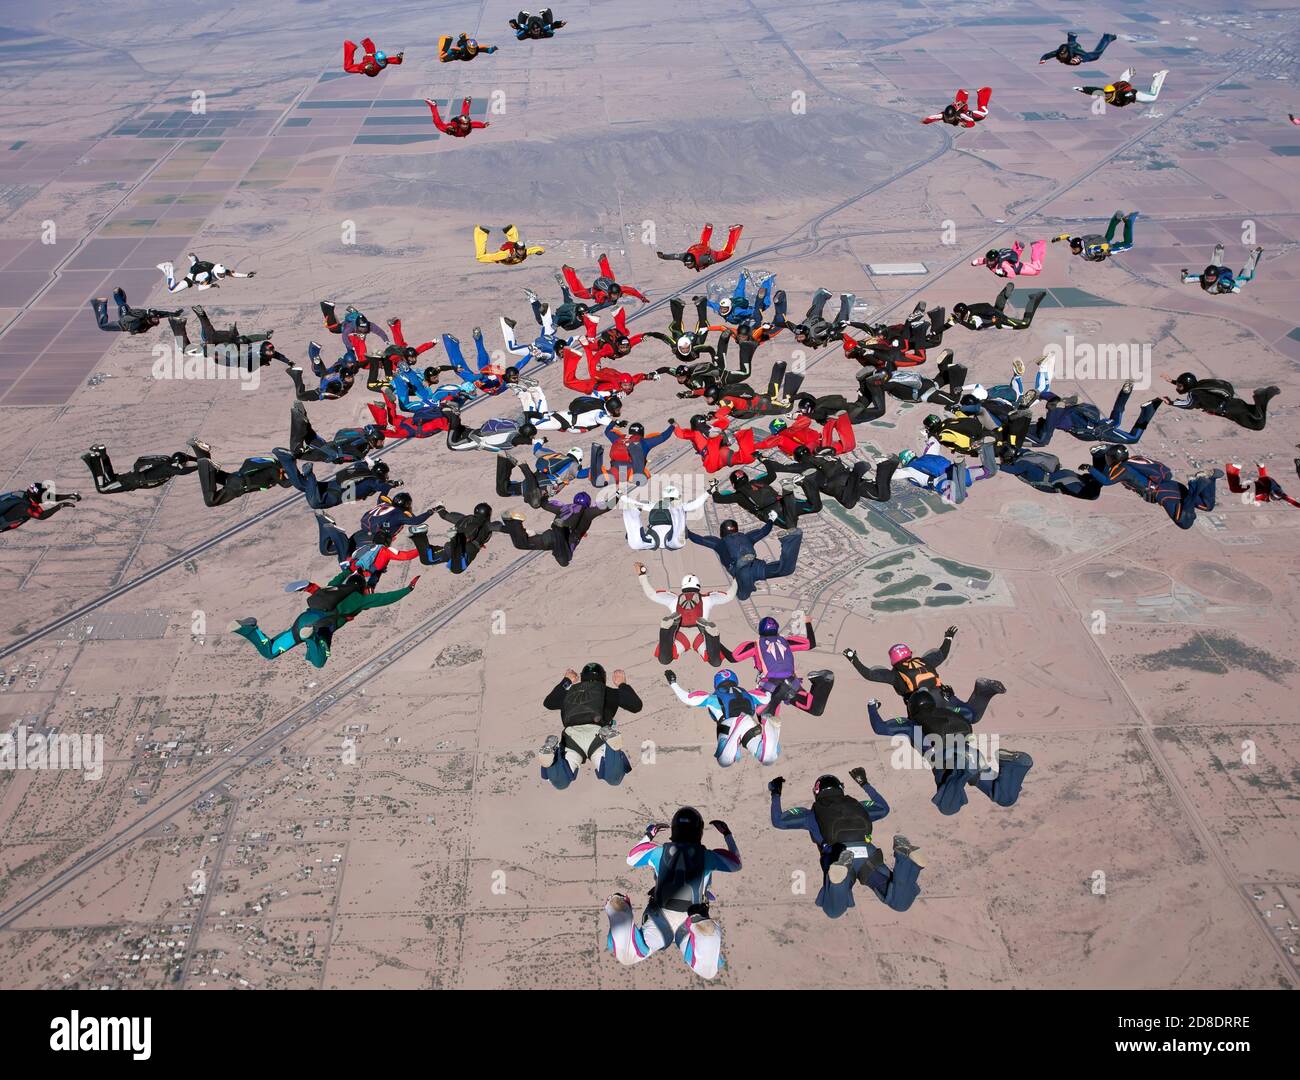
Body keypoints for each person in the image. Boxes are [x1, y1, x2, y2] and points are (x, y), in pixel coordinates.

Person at [604, 809, 739, 980]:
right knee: (707, 969)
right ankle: (706, 935)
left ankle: (621, 917)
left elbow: (631, 858)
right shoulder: (708, 856)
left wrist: (649, 834)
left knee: (631, 954)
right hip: (691, 917)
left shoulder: (658, 852)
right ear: (699, 832)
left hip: (660, 915)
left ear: (674, 830)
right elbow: (735, 863)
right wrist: (727, 834)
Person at [769, 772, 923, 918]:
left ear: (816, 792)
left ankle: (840, 878)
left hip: (838, 854)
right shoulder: (858, 806)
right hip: (867, 855)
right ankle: (905, 859)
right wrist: (864, 783)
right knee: (899, 903)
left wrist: (776, 793)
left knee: (834, 911)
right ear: (841, 788)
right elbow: (883, 808)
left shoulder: (811, 814)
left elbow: (779, 821)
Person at [868, 697, 1033, 816]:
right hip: (973, 754)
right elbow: (970, 712)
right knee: (1004, 798)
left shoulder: (912, 724)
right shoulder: (950, 712)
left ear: (912, 709)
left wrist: (872, 707)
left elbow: (880, 728)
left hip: (947, 762)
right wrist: (951, 698)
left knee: (948, 807)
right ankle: (1013, 766)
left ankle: (960, 774)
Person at [230, 574, 418, 668]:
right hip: (321, 626)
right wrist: (408, 589)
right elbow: (386, 598)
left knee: (270, 651)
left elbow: (340, 574)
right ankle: (310, 639)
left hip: (304, 618)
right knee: (319, 661)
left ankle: (249, 629)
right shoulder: (359, 599)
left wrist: (348, 568)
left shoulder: (334, 587)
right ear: (361, 588)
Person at [842, 627, 1007, 717]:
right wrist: (948, 638)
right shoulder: (924, 661)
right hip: (947, 696)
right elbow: (942, 654)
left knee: (916, 732)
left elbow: (869, 674)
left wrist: (853, 658)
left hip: (926, 706)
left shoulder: (896, 674)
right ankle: (982, 689)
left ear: (893, 660)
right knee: (972, 714)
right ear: (909, 654)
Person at [538, 663, 640, 789]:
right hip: (597, 734)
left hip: (571, 737)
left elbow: (549, 703)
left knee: (561, 783)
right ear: (603, 678)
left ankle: (552, 752)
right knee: (614, 778)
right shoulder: (608, 692)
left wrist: (567, 681)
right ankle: (610, 743)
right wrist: (622, 684)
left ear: (582, 677)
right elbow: (636, 706)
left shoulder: (570, 693)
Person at [1086, 445, 1222, 530]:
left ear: (1113, 458)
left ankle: (1197, 482)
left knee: (1184, 522)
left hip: (1162, 492)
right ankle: (1209, 478)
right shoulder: (1134, 460)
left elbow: (1106, 480)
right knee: (1206, 506)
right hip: (1172, 486)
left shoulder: (1123, 468)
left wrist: (1089, 468)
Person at [667, 669, 778, 766]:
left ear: (716, 683)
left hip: (729, 725)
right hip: (750, 726)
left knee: (724, 761)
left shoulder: (713, 697)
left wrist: (673, 683)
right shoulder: (749, 694)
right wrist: (764, 680)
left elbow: (688, 698)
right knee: (768, 758)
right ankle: (769, 725)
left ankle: (747, 723)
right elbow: (766, 698)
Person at [729, 615, 834, 717]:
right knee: (815, 709)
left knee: (763, 714)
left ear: (760, 630)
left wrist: (718, 646)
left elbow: (733, 658)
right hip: (791, 683)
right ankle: (824, 681)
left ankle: (777, 696)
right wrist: (808, 622)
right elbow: (811, 644)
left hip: (770, 686)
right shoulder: (786, 642)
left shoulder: (755, 645)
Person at [636, 564, 736, 665]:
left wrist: (642, 575)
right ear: (698, 585)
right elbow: (730, 595)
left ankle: (667, 629)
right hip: (699, 632)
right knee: (715, 661)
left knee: (664, 659)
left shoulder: (674, 600)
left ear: (683, 586)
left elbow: (651, 594)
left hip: (681, 633)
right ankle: (712, 635)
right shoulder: (707, 598)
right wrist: (736, 578)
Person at [687, 518, 802, 602]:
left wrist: (687, 532)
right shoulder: (746, 537)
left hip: (741, 571)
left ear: (722, 532)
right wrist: (771, 519)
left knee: (742, 596)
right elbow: (763, 531)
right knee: (785, 569)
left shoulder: (719, 543)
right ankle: (793, 539)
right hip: (756, 566)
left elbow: (700, 540)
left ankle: (741, 564)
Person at [1028, 381, 1161, 446]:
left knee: (1133, 438)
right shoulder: (1059, 404)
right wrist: (1040, 395)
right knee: (1115, 420)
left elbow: (1045, 435)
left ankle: (1148, 408)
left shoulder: (1055, 419)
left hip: (1092, 430)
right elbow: (1050, 397)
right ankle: (1126, 392)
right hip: (1089, 421)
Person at [766, 445, 897, 510]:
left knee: (849, 503)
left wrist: (763, 459)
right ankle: (886, 464)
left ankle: (858, 471)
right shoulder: (821, 455)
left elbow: (784, 468)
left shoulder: (805, 464)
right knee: (882, 495)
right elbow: (832, 450)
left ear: (798, 458)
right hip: (848, 477)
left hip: (840, 486)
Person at [502, 491, 610, 566]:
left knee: (521, 544)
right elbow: (609, 505)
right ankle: (559, 528)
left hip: (549, 537)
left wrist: (544, 494)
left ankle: (514, 523)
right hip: (562, 540)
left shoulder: (563, 508)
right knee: (565, 561)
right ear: (588, 503)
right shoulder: (588, 513)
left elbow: (544, 505)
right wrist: (620, 493)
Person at [272, 449, 400, 510]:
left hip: (331, 487)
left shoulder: (364, 471)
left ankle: (285, 459)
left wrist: (391, 482)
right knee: (312, 494)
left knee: (301, 485)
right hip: (328, 498)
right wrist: (391, 488)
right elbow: (383, 490)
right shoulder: (373, 482)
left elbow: (362, 463)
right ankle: (310, 474)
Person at [709, 463, 813, 529]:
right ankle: (798, 486)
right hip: (782, 502)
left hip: (770, 512)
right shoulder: (758, 482)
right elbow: (772, 475)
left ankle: (789, 491)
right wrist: (764, 460)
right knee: (812, 506)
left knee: (789, 526)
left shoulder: (739, 496)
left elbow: (717, 498)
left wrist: (714, 488)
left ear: (733, 484)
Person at [1162, 372, 1278, 431]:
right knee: (1256, 418)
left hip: (1230, 409)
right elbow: (1187, 387)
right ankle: (1262, 397)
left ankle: (1262, 397)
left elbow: (1189, 404)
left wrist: (1171, 402)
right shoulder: (1199, 386)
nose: (1178, 388)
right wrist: (1171, 381)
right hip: (1233, 405)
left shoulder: (1194, 393)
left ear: (1186, 385)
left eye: (1179, 386)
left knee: (1258, 424)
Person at [190, 440, 288, 507]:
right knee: (211, 501)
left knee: (210, 475)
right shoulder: (274, 470)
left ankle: (200, 450)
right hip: (238, 485)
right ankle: (206, 463)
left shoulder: (272, 466)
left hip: (235, 478)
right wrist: (302, 479)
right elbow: (285, 483)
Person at [895, 440, 998, 505]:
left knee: (958, 499)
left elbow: (894, 474)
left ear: (904, 461)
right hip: (953, 470)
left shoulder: (909, 470)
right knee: (989, 471)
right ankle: (986, 447)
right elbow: (934, 443)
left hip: (944, 481)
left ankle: (960, 466)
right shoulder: (928, 455)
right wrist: (929, 433)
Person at [409, 503, 503, 572]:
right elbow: (498, 526)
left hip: (450, 547)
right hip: (463, 552)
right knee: (457, 569)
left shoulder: (465, 519)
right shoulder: (487, 525)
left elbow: (445, 515)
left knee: (427, 559)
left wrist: (440, 509)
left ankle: (419, 535)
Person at [495, 443, 589, 507]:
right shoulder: (573, 464)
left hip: (532, 482)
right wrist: (594, 469)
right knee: (535, 502)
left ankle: (504, 461)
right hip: (542, 487)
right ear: (579, 460)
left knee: (502, 490)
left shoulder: (556, 455)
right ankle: (524, 467)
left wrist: (540, 441)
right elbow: (580, 474)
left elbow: (536, 450)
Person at [81, 444, 198, 494]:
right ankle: (93, 459)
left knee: (109, 476)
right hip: (131, 482)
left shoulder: (166, 460)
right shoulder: (169, 468)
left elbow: (182, 456)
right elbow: (182, 471)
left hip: (131, 476)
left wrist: (197, 460)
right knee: (102, 489)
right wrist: (199, 466)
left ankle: (101, 452)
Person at [590, 420, 676, 488]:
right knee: (645, 474)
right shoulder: (644, 441)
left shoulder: (618, 438)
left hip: (615, 470)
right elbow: (663, 437)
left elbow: (607, 431)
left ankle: (596, 453)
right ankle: (637, 476)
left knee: (598, 480)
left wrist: (614, 423)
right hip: (631, 471)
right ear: (642, 433)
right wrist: (672, 426)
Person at [560, 254, 649, 313]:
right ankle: (568, 271)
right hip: (595, 291)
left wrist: (641, 297)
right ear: (609, 293)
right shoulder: (602, 294)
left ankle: (603, 260)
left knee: (610, 278)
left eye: (616, 295)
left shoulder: (620, 289)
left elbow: (632, 291)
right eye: (614, 295)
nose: (615, 297)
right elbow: (599, 304)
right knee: (577, 292)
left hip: (606, 280)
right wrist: (592, 309)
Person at [777, 288, 857, 348]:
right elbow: (789, 325)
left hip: (824, 327)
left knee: (842, 323)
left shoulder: (817, 333)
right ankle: (822, 294)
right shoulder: (797, 330)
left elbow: (830, 330)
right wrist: (775, 324)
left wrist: (838, 332)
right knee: (815, 312)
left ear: (807, 334)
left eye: (800, 337)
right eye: (798, 337)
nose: (799, 339)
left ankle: (847, 298)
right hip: (814, 319)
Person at [947, 282, 1046, 331]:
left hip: (999, 320)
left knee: (1025, 324)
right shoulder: (968, 310)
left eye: (958, 314)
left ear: (963, 312)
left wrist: (960, 321)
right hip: (992, 312)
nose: (958, 316)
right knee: (997, 309)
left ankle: (1035, 299)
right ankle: (1004, 294)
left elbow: (973, 327)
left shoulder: (973, 317)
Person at [1052, 211, 1138, 262]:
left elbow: (1103, 246)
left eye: (1074, 249)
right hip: (1101, 241)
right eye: (1072, 248)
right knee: (1107, 238)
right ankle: (1115, 218)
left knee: (1129, 245)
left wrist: (1103, 251)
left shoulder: (1090, 249)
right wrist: (1057, 239)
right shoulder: (1076, 244)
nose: (1073, 250)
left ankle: (1129, 221)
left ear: (1080, 247)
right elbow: (1067, 237)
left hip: (1108, 249)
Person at [288, 341, 360, 401]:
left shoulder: (347, 371)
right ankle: (314, 353)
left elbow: (351, 353)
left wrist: (351, 346)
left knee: (300, 396)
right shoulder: (340, 370)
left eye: (352, 363)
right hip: (327, 382)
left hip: (326, 386)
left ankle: (296, 373)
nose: (351, 365)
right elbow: (328, 377)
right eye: (350, 363)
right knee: (320, 371)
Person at [657, 224, 743, 272]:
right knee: (704, 244)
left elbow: (711, 260)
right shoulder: (683, 257)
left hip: (710, 254)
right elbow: (673, 256)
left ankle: (734, 231)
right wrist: (663, 256)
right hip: (698, 249)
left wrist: (708, 263)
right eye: (687, 264)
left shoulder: (702, 259)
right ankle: (708, 228)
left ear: (694, 261)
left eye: (689, 264)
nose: (688, 266)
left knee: (728, 253)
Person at [1180, 244, 1264, 294]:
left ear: (1216, 277)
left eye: (1211, 278)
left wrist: (1228, 288)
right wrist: (1183, 276)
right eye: (1208, 277)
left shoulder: (1224, 282)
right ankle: (1219, 250)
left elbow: (1238, 290)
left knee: (1247, 276)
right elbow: (1186, 281)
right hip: (1219, 273)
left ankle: (1255, 255)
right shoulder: (1202, 277)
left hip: (1225, 275)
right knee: (1213, 267)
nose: (1209, 280)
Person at [90, 288, 179, 334]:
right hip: (123, 323)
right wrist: (134, 331)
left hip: (128, 312)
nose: (156, 319)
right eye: (155, 319)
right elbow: (132, 328)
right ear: (149, 318)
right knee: (102, 326)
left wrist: (174, 314)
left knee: (122, 304)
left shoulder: (151, 314)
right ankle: (102, 303)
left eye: (156, 318)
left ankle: (116, 293)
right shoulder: (142, 321)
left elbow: (162, 314)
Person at [156, 252, 256, 293]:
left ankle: (193, 258)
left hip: (199, 268)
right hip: (191, 278)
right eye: (220, 274)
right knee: (171, 290)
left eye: (222, 274)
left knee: (195, 264)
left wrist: (246, 275)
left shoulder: (219, 270)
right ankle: (168, 269)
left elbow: (232, 274)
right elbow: (200, 287)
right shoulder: (207, 276)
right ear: (215, 272)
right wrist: (210, 286)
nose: (222, 276)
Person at [707, 268, 775, 326]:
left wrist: (757, 311)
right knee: (739, 290)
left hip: (743, 309)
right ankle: (743, 275)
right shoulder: (719, 308)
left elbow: (749, 311)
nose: (722, 311)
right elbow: (710, 304)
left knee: (766, 304)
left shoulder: (737, 312)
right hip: (737, 301)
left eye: (725, 309)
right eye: (722, 308)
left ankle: (767, 280)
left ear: (730, 307)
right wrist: (701, 300)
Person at [1, 482, 81, 531]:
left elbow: (50, 497)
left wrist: (69, 496)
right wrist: (60, 506)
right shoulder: (25, 507)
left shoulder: (22, 494)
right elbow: (42, 515)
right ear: (37, 497)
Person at [1074, 68, 1168, 107]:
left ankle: (1159, 76)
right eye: (1106, 94)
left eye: (1109, 94)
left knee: (1153, 97)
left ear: (1113, 92)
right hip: (1120, 87)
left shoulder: (1122, 95)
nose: (1106, 96)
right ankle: (1128, 72)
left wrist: (1130, 97)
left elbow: (1130, 93)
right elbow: (1094, 90)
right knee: (1123, 81)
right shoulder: (1107, 93)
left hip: (1133, 94)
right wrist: (1082, 89)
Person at [1226, 462, 1299, 507]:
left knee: (1263, 479)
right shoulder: (1264, 494)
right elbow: (1256, 497)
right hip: (1263, 484)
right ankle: (1234, 469)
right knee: (1234, 489)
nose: (1273, 498)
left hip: (1267, 482)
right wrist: (1254, 501)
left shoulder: (1282, 496)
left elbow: (1293, 502)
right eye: (1272, 497)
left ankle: (1261, 467)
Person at [972, 239, 1047, 278]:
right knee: (1014, 259)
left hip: (1020, 268)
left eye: (990, 261)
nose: (988, 262)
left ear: (996, 259)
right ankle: (1019, 249)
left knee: (1037, 270)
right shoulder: (990, 261)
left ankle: (1036, 247)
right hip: (1014, 264)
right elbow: (982, 260)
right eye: (988, 260)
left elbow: (1012, 274)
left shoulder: (1003, 264)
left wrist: (1004, 274)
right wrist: (975, 262)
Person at [474, 225, 543, 266]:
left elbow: (535, 249)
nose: (521, 252)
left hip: (512, 255)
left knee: (514, 241)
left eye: (522, 250)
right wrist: (496, 259)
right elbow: (488, 257)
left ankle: (510, 230)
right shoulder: (505, 254)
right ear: (516, 250)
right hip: (503, 258)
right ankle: (481, 233)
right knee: (480, 257)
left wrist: (541, 251)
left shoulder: (525, 252)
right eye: (519, 250)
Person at [920, 87, 991, 127]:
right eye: (948, 118)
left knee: (984, 113)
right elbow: (933, 117)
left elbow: (972, 122)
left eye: (950, 118)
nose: (949, 120)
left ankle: (983, 92)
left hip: (971, 115)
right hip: (960, 110)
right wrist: (925, 121)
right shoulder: (943, 115)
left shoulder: (962, 115)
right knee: (960, 104)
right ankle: (963, 94)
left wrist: (966, 125)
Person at [1040, 31, 1117, 65]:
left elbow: (1086, 55)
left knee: (1097, 55)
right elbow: (1048, 55)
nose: (1062, 59)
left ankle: (1107, 38)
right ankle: (1072, 37)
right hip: (1071, 46)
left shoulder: (1075, 51)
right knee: (1072, 42)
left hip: (1077, 49)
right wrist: (1043, 59)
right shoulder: (1058, 52)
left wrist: (1079, 58)